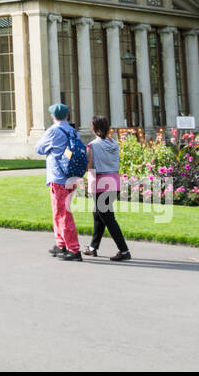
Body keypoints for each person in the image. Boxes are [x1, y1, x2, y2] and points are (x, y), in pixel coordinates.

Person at [35, 102, 83, 261]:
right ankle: (61, 244)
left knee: (63, 213)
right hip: (71, 176)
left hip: (58, 176)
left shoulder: (53, 131)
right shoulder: (73, 130)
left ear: (52, 116)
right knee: (59, 211)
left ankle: (74, 249)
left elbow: (39, 148)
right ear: (67, 115)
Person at [84, 116, 131, 261]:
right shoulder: (114, 143)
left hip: (100, 184)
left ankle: (124, 250)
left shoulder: (92, 146)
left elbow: (90, 167)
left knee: (109, 219)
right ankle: (93, 247)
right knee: (98, 215)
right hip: (114, 182)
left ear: (94, 128)